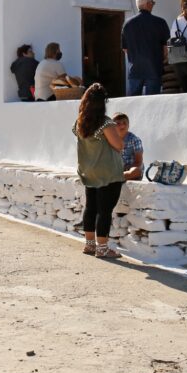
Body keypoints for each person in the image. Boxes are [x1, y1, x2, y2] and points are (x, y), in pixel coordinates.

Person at [72, 84, 124, 258]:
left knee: (91, 208)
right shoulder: (106, 123)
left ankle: (89, 245)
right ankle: (102, 248)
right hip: (108, 172)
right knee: (104, 211)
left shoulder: (80, 122)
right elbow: (118, 145)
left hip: (89, 171)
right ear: (103, 102)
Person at [121, 0, 170, 96]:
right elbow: (165, 49)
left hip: (135, 70)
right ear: (148, 4)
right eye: (153, 2)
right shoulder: (160, 22)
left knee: (132, 103)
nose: (153, 5)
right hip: (154, 69)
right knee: (152, 103)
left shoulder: (127, 24)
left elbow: (125, 49)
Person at [112, 113, 144, 181]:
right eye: (118, 123)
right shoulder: (111, 139)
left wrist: (125, 170)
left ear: (128, 125)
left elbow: (138, 162)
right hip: (117, 169)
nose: (122, 125)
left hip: (131, 168)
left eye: (124, 123)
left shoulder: (135, 140)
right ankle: (116, 177)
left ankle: (116, 177)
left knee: (136, 171)